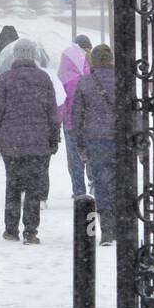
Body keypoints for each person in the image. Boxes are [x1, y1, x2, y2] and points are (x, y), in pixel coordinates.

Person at [0, 36, 60, 244]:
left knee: (13, 186)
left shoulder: (5, 79)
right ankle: (31, 231)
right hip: (38, 144)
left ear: (16, 56)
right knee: (33, 189)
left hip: (11, 144)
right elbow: (52, 113)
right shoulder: (44, 79)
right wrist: (54, 138)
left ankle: (11, 229)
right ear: (34, 56)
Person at [72, 43, 116, 245]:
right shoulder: (121, 81)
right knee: (120, 182)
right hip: (119, 138)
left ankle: (107, 228)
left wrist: (79, 144)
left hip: (95, 139)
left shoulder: (85, 83)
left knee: (101, 181)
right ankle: (122, 226)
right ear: (111, 60)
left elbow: (78, 116)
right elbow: (134, 110)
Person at [58, 37, 92, 197]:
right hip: (89, 123)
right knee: (91, 154)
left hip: (70, 123)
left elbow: (61, 102)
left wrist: (59, 120)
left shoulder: (64, 78)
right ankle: (93, 183)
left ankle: (78, 190)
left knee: (74, 159)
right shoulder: (91, 76)